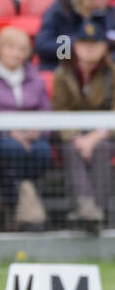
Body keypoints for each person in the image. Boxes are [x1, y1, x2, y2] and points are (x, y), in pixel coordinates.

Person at [0, 25, 52, 230]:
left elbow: (47, 113)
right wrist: (10, 132)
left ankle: (8, 201)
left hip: (33, 137)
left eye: (21, 49)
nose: (16, 54)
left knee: (43, 151)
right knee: (13, 149)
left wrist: (37, 131)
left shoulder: (36, 80)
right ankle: (23, 207)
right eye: (11, 48)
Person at [51, 15, 114, 230]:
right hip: (73, 134)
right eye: (84, 44)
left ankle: (97, 209)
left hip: (103, 134)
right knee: (71, 149)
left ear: (104, 47)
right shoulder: (63, 73)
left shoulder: (112, 74)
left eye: (94, 44)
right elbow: (59, 111)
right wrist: (78, 138)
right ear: (75, 46)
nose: (89, 49)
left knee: (103, 149)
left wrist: (94, 137)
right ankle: (86, 207)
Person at [35, 0, 113, 70]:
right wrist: (76, 45)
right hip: (63, 71)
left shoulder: (109, 13)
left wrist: (101, 50)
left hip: (101, 73)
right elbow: (43, 46)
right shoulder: (60, 11)